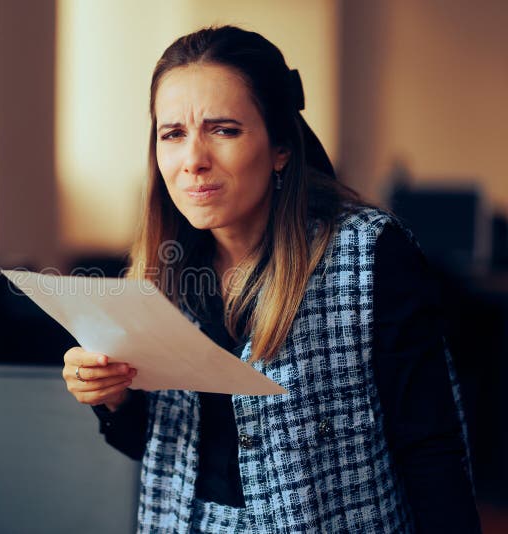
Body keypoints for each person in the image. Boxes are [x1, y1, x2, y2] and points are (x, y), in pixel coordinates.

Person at [62, 25, 480, 533]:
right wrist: (114, 398)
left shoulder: (369, 253)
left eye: (224, 130)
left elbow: (431, 449)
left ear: (280, 146)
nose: (193, 159)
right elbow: (160, 444)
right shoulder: (159, 271)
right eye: (172, 134)